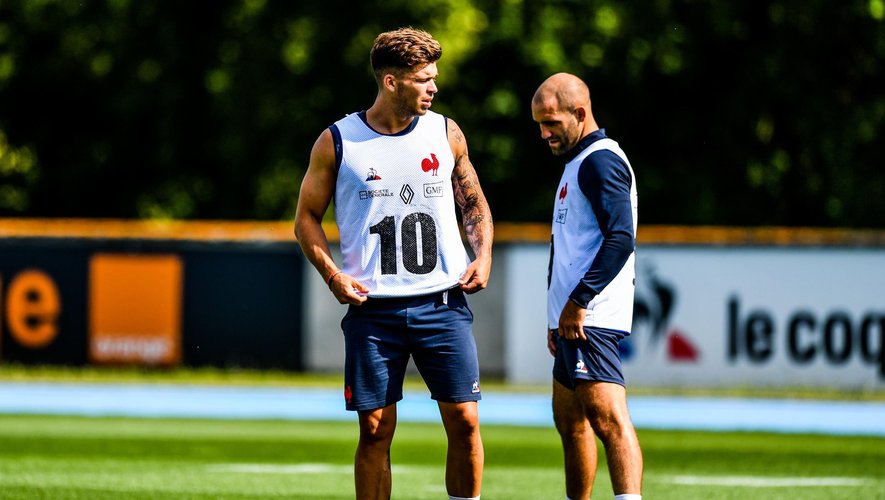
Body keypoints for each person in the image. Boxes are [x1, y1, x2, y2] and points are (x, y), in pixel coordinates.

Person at [294, 27, 493, 500]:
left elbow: (474, 202)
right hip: (375, 311)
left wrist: (482, 254)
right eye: (423, 79)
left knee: (465, 421)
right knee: (376, 431)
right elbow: (305, 218)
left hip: (442, 303)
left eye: (434, 78)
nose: (434, 87)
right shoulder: (338, 142)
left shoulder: (446, 132)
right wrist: (333, 274)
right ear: (391, 82)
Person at [531, 72, 643, 500]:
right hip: (570, 320)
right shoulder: (577, 162)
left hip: (589, 317)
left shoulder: (600, 161)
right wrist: (554, 313)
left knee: (608, 419)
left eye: (552, 123)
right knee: (569, 420)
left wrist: (578, 302)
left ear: (580, 113)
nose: (544, 133)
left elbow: (621, 238)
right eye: (539, 124)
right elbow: (569, 245)